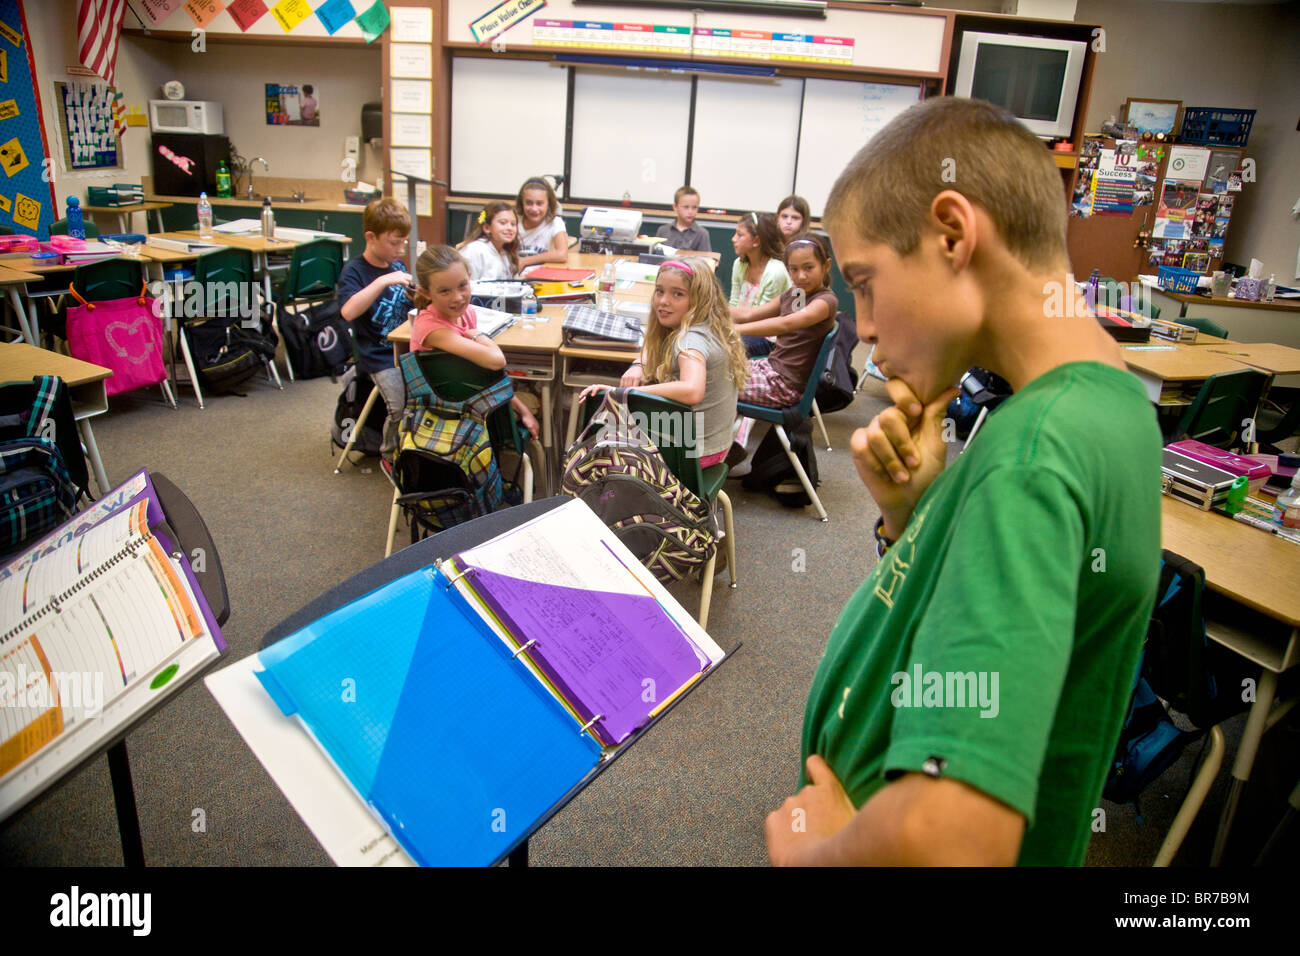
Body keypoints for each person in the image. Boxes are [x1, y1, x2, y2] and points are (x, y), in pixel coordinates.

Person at [763, 96, 1162, 866]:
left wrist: (818, 852)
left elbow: (950, 838)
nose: (866, 326)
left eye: (867, 282)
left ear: (952, 234)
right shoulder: (1101, 404)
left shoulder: (1031, 455)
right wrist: (913, 519)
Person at [579, 258, 747, 469]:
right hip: (713, 445)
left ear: (699, 299)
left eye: (678, 294)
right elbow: (653, 341)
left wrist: (626, 391)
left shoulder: (690, 340)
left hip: (692, 455)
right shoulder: (706, 325)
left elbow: (692, 390)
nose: (663, 301)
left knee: (597, 451)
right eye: (660, 291)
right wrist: (638, 364)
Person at [410, 245, 539, 440]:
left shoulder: (466, 313)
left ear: (470, 276)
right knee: (538, 401)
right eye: (445, 291)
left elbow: (488, 375)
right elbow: (497, 361)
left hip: (473, 404)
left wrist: (521, 409)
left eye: (462, 285)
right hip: (451, 417)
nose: (458, 297)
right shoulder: (432, 329)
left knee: (525, 404)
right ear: (426, 293)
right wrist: (478, 334)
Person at [337, 197, 414, 465]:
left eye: (403, 242)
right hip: (378, 355)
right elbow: (348, 311)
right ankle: (390, 455)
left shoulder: (398, 266)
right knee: (399, 407)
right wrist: (382, 281)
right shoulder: (355, 271)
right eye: (394, 242)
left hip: (404, 349)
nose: (400, 248)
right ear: (371, 237)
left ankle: (415, 449)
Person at [732, 235, 837, 409]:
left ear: (826, 265)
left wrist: (734, 329)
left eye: (808, 268)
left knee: (710, 383)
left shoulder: (825, 301)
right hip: (770, 368)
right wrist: (712, 309)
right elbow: (749, 314)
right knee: (711, 369)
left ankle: (699, 434)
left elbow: (786, 324)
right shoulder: (796, 294)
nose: (801, 276)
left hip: (784, 386)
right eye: (794, 269)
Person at [729, 211, 790, 357]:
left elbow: (760, 318)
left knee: (724, 348)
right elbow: (734, 302)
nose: (733, 239)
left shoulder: (775, 271)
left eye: (740, 235)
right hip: (742, 328)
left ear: (756, 241)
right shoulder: (739, 264)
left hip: (767, 337)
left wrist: (730, 329)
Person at [514, 177, 569, 269]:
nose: (534, 209)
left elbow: (562, 254)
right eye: (529, 203)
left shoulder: (555, 222)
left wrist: (524, 261)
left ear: (548, 204)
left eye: (539, 204)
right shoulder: (513, 221)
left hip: (539, 275)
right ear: (521, 203)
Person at [459, 202, 519, 281]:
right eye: (503, 223)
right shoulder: (474, 250)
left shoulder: (506, 253)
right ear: (487, 228)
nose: (509, 228)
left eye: (513, 224)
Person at [656, 186, 712, 253]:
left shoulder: (702, 234)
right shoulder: (663, 230)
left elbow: (705, 261)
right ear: (675, 207)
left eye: (694, 207)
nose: (690, 211)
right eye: (686, 207)